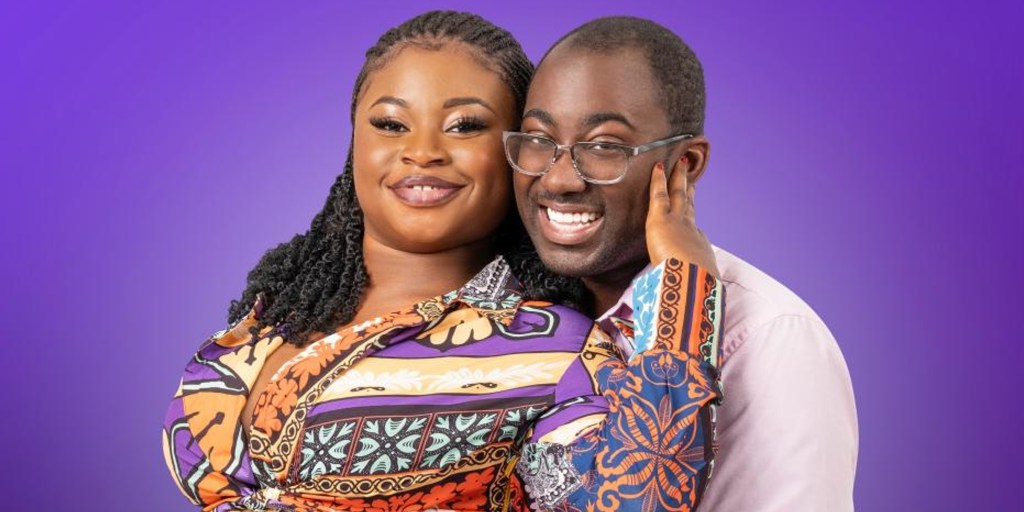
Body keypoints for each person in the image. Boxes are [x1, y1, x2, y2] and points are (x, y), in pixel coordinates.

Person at [163, 11, 724, 512]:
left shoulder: (555, 350)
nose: (423, 151)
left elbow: (638, 498)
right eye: (390, 123)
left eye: (465, 126)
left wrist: (684, 286)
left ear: (516, 154)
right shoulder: (276, 316)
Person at [507, 16, 859, 511]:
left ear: (686, 164)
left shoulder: (770, 338)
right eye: (538, 139)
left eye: (604, 146)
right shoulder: (511, 313)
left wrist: (683, 293)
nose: (559, 180)